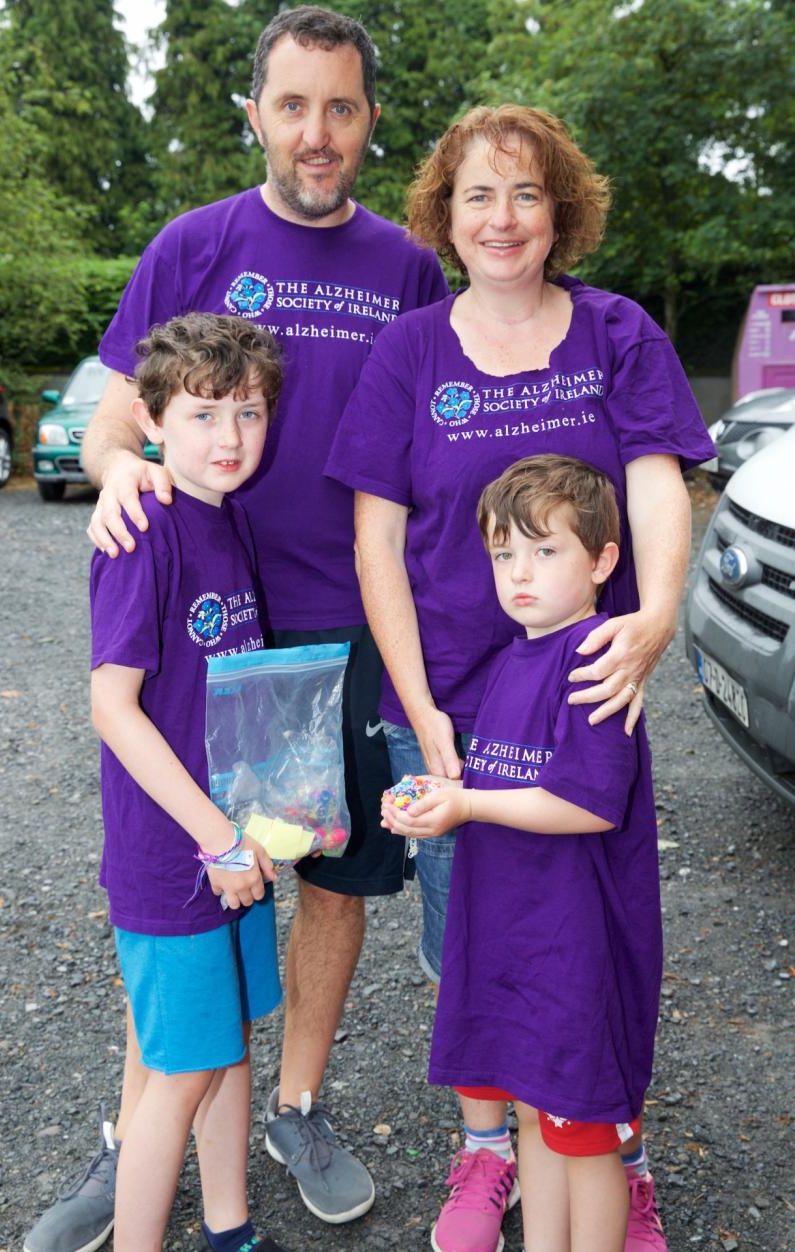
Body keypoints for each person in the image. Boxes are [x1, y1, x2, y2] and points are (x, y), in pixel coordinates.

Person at [24, 8, 448, 1251]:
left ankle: (294, 1110)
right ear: (254, 111)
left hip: (350, 626)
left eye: (342, 108)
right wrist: (115, 469)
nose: (317, 132)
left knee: (329, 878)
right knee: (184, 885)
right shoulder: (193, 243)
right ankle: (138, 1129)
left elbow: (435, 449)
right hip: (210, 633)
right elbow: (117, 416)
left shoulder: (408, 269)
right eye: (293, 104)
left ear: (369, 122)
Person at [325, 104, 716, 1251]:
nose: (502, 218)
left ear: (560, 211)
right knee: (478, 944)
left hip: (581, 693)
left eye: (526, 193)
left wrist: (654, 616)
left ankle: (612, 1154)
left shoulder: (616, 332)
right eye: (477, 195)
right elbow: (375, 545)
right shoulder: (409, 352)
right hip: (449, 703)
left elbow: (655, 482)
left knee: (591, 944)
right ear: (444, 215)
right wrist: (421, 710)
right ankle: (489, 1150)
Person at [42, 313, 286, 1252]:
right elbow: (113, 708)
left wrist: (267, 821)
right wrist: (217, 840)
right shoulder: (142, 531)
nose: (229, 437)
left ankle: (229, 1227)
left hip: (236, 845)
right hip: (174, 859)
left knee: (225, 1045)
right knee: (180, 1074)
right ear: (149, 421)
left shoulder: (231, 519)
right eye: (202, 414)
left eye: (249, 413)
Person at [382, 454, 661, 1252]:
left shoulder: (596, 660)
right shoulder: (513, 657)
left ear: (602, 561)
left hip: (576, 951)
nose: (520, 573)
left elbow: (586, 803)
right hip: (517, 939)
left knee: (583, 1133)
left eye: (545, 551)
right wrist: (435, 798)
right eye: (504, 554)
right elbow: (504, 780)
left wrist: (468, 804)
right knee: (535, 1113)